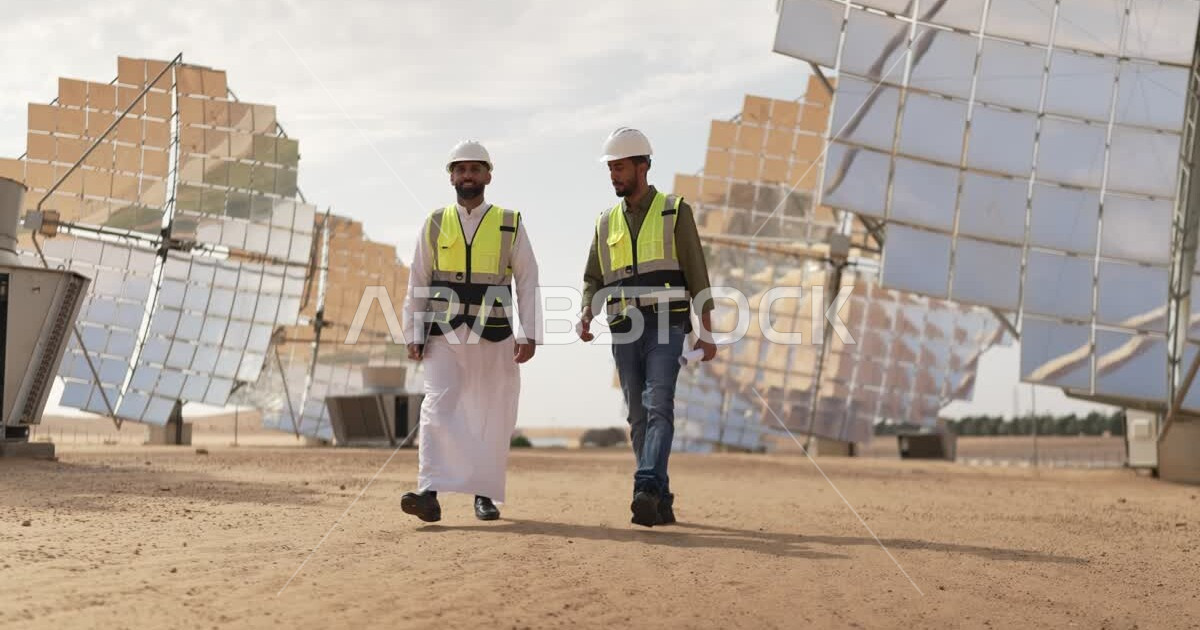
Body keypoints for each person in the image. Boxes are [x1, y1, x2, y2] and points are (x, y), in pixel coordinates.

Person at [577, 128, 716, 527]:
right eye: (610, 168)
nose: (613, 176)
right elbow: (593, 277)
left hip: (666, 326)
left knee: (659, 405)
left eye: (619, 167)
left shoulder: (674, 211)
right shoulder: (605, 222)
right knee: (637, 416)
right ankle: (662, 499)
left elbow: (697, 275)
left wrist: (705, 332)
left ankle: (647, 486)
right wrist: (587, 311)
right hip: (624, 328)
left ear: (643, 166)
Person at [400, 140, 540, 523]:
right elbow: (418, 280)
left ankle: (484, 495)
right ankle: (428, 492)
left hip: (494, 334)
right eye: (460, 170)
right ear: (451, 177)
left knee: (490, 412)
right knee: (437, 407)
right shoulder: (433, 223)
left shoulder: (510, 222)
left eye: (475, 169)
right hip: (442, 333)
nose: (467, 176)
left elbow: (527, 280)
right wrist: (412, 330)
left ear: (488, 176)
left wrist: (529, 333)